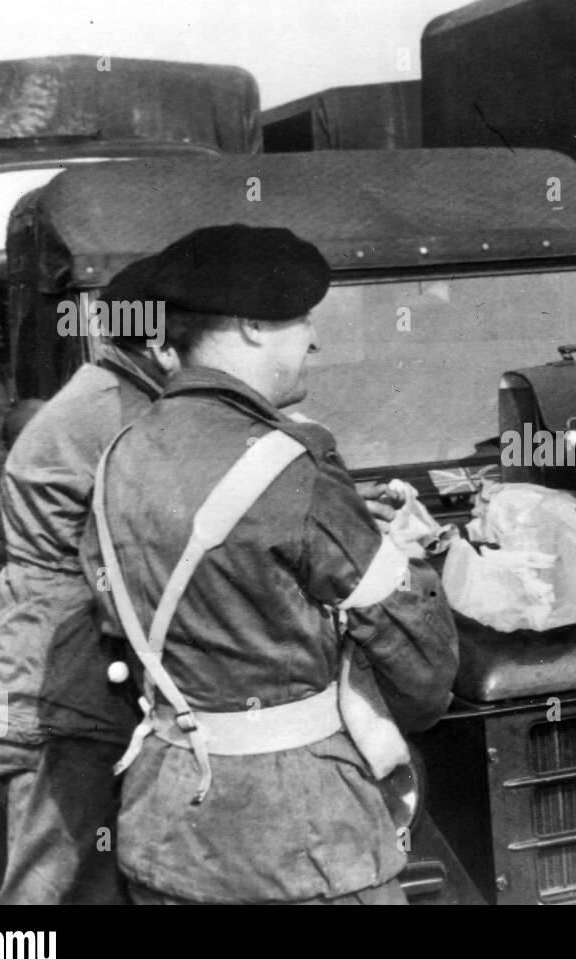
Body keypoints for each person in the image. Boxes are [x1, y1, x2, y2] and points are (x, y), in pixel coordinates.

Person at [79, 224, 459, 905]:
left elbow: (118, 615)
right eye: (304, 322)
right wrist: (412, 566)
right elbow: (422, 673)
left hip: (166, 825)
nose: (313, 340)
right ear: (253, 328)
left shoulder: (119, 455)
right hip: (303, 843)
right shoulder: (295, 460)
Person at [0, 255, 181, 903]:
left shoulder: (105, 395)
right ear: (162, 345)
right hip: (62, 700)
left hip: (45, 684)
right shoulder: (122, 416)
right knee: (52, 901)